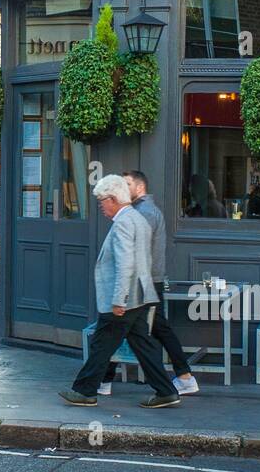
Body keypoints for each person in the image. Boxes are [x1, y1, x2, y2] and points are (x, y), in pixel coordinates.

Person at [59, 175, 180, 409]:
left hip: (127, 298)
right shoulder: (137, 218)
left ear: (113, 199)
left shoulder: (124, 222)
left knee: (102, 344)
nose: (101, 206)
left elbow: (126, 264)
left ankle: (84, 391)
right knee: (142, 345)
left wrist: (119, 299)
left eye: (102, 201)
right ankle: (166, 391)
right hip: (140, 295)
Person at [101, 170, 198, 397]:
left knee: (119, 330)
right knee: (144, 331)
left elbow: (132, 254)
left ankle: (102, 380)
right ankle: (183, 377)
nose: (122, 189)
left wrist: (122, 288)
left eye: (127, 184)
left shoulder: (141, 213)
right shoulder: (144, 211)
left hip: (142, 283)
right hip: (148, 282)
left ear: (140, 188)